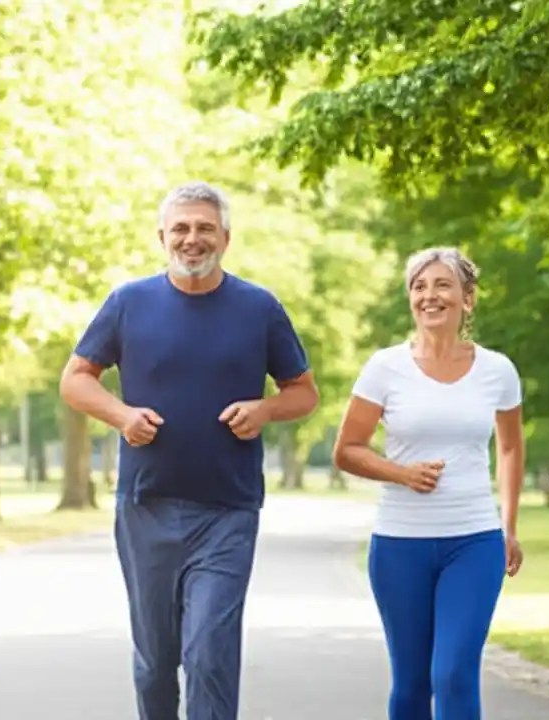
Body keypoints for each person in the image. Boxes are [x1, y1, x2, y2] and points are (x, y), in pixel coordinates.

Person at [59, 181, 319, 720]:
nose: (192, 238)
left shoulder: (259, 308)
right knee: (157, 662)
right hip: (146, 507)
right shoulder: (129, 302)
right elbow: (76, 379)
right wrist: (122, 416)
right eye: (181, 228)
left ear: (226, 237)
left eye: (205, 228)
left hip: (228, 509)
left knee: (209, 654)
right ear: (162, 237)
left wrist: (264, 409)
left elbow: (304, 392)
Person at [331, 246, 525, 720]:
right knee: (413, 682)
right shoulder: (385, 367)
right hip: (400, 545)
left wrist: (509, 525)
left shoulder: (497, 370)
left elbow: (511, 447)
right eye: (419, 286)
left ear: (468, 299)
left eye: (442, 285)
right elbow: (347, 450)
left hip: (474, 542)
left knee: (454, 672)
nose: (429, 295)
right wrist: (402, 473)